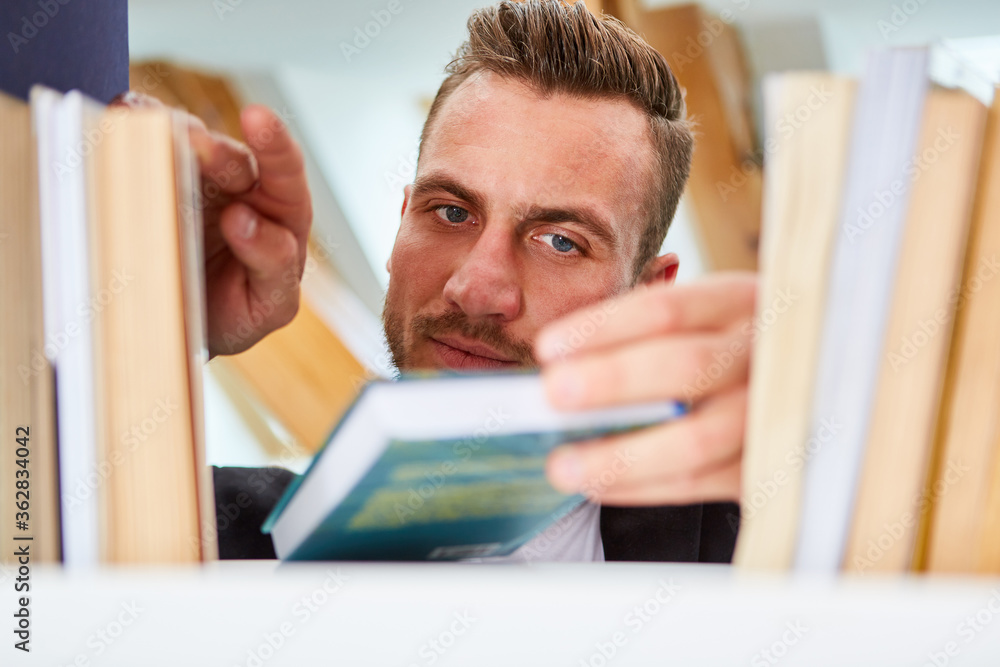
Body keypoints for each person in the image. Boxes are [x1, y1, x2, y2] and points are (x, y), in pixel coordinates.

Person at [135, 0, 755, 560]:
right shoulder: (207, 533)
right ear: (402, 222)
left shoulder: (764, 546)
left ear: (649, 294)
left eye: (561, 241)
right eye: (452, 213)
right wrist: (173, 336)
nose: (477, 288)